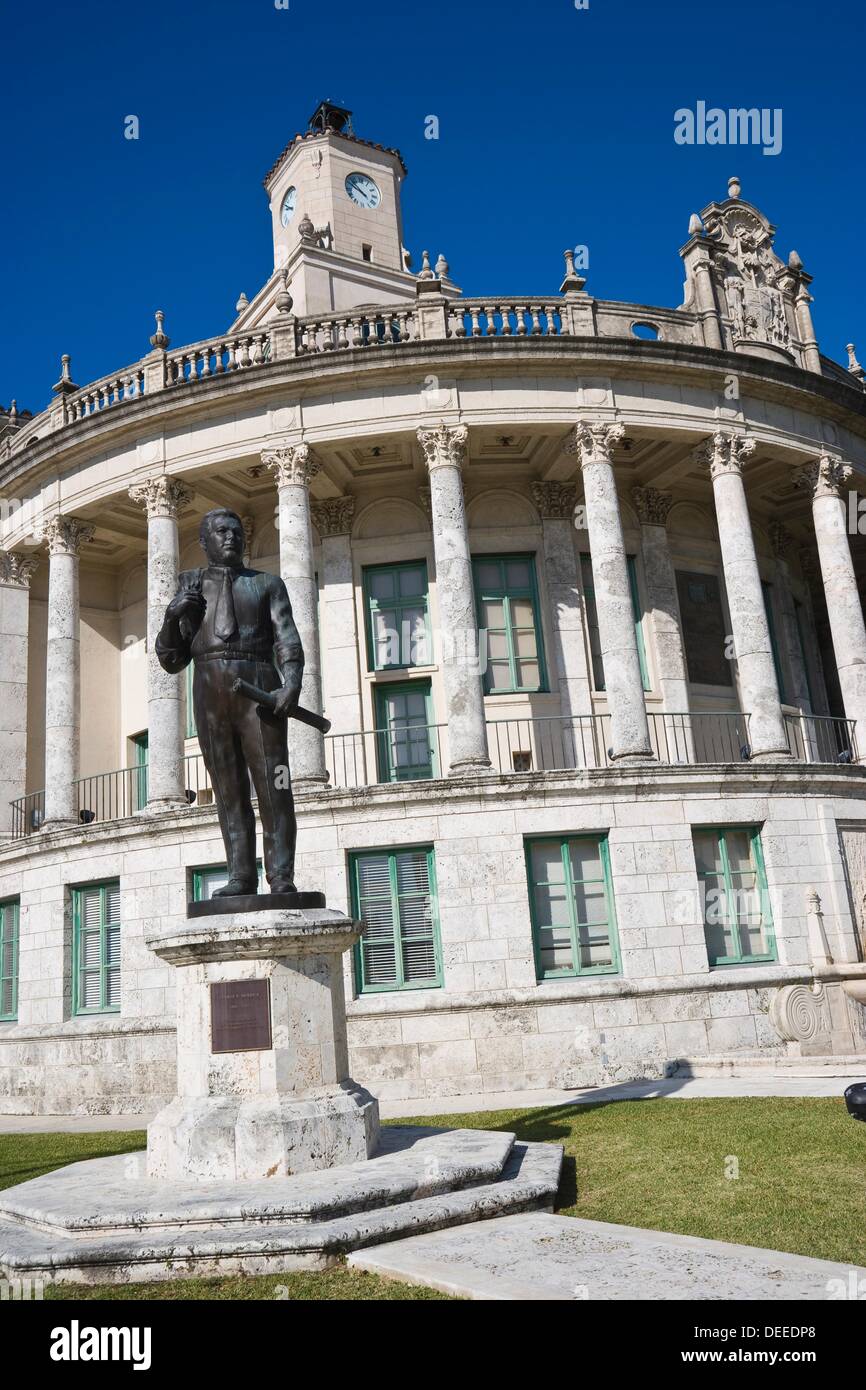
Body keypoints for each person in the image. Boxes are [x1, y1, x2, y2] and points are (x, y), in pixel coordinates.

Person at [156, 507, 302, 896]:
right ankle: (241, 875)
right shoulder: (189, 585)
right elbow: (171, 660)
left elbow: (287, 639)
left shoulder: (268, 584)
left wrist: (292, 685)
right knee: (228, 789)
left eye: (236, 531)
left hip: (259, 693)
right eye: (220, 532)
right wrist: (172, 619)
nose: (230, 538)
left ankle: (281, 874)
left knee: (276, 785)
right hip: (210, 695)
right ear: (204, 542)